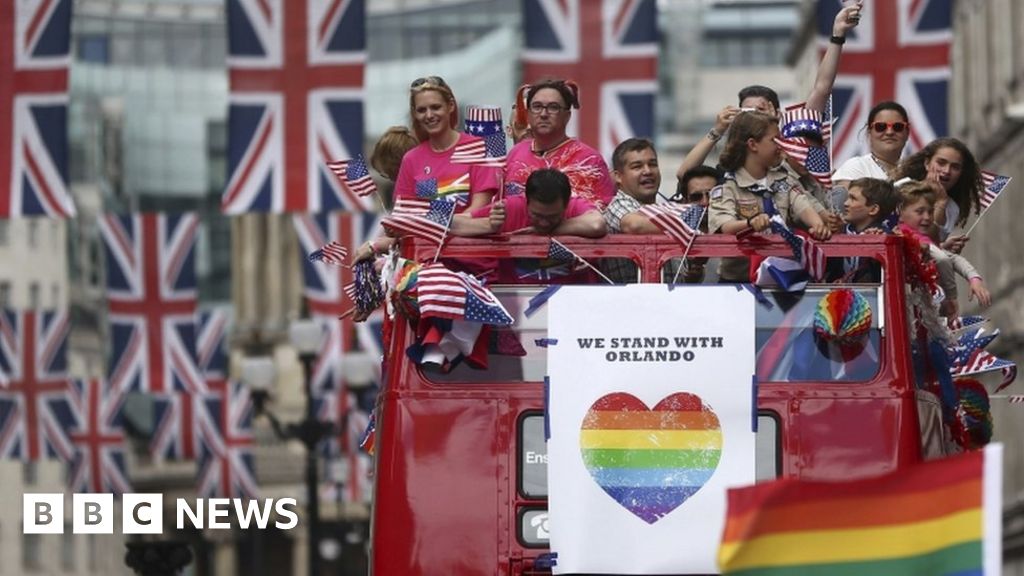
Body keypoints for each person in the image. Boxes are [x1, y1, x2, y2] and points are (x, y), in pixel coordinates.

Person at [675, 2, 862, 179]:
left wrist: (837, 35)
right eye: (749, 112)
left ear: (778, 115)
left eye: (761, 111)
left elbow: (821, 89)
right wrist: (716, 131)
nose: (756, 117)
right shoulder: (732, 162)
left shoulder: (794, 140)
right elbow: (685, 175)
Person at [354, 76, 500, 263]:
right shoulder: (412, 159)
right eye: (422, 110)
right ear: (415, 114)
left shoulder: (478, 148)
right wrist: (375, 244)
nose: (429, 115)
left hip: (473, 264)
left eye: (436, 107)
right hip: (425, 266)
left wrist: (425, 222)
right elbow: (404, 220)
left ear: (451, 106)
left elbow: (479, 210)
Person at [707, 111, 830, 283]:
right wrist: (750, 224)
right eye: (774, 140)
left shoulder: (784, 179)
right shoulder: (728, 186)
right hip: (738, 284)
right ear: (753, 144)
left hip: (782, 279)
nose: (781, 145)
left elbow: (802, 205)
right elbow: (725, 225)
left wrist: (818, 225)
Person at [503, 78, 616, 210]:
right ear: (528, 114)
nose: (544, 114)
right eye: (537, 107)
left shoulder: (590, 160)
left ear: (567, 116)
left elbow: (604, 215)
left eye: (553, 107)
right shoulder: (516, 153)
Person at [896, 181, 991, 320]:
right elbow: (942, 258)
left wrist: (974, 279)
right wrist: (950, 297)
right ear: (899, 211)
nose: (927, 217)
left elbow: (950, 257)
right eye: (920, 211)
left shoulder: (920, 237)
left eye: (930, 211)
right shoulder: (904, 235)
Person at [452, 168, 605, 238]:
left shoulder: (575, 205)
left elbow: (596, 224)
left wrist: (538, 231)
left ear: (566, 204)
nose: (544, 223)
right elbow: (452, 223)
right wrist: (489, 225)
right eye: (536, 215)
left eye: (552, 216)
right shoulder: (511, 207)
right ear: (526, 201)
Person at [893, 137, 983, 250]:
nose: (946, 171)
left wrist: (945, 247)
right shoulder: (901, 187)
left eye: (955, 167)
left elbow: (930, 245)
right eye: (941, 163)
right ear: (927, 163)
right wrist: (940, 202)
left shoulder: (952, 209)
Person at [600, 138, 663, 283]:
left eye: (652, 164)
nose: (647, 171)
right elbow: (635, 225)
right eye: (637, 166)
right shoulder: (618, 204)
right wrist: (685, 221)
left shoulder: (664, 207)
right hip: (626, 302)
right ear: (618, 176)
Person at [831, 178, 899, 282]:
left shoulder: (885, 239)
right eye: (847, 198)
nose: (845, 203)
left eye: (853, 199)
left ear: (873, 209)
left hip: (870, 297)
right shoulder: (838, 232)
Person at [831, 101, 911, 185]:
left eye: (898, 127)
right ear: (869, 132)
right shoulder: (855, 167)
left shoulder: (916, 173)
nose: (889, 132)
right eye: (880, 127)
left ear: (907, 132)